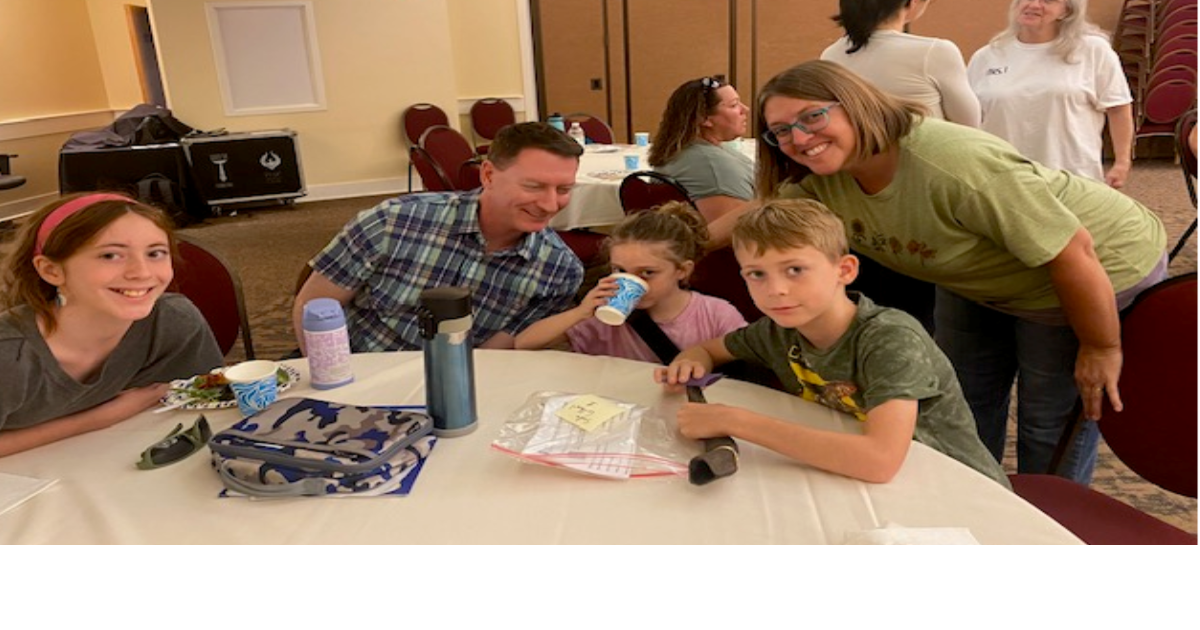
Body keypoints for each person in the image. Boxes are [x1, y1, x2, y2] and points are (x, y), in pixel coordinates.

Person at [741, 60, 1167, 485]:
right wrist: (688, 241)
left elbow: (1074, 253)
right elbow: (757, 217)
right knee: (962, 403)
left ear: (853, 104)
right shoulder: (824, 177)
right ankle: (977, 499)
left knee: (1045, 419)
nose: (798, 137)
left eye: (812, 116)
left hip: (1087, 267)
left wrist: (1100, 347)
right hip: (978, 275)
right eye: (780, 130)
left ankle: (1048, 521)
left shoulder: (949, 162)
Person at [657, 199, 1009, 487]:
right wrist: (693, 359)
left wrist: (735, 421)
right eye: (757, 274)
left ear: (845, 270)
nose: (775, 289)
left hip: (955, 487)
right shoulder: (778, 331)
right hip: (865, 481)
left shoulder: (889, 338)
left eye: (794, 270)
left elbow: (880, 461)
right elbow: (709, 349)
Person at [295, 122, 587, 353]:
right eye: (534, 186)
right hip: (358, 367)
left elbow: (494, 358)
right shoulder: (394, 222)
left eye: (563, 190)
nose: (550, 205)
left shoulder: (558, 271)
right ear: (488, 175)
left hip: (456, 386)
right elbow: (315, 307)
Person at [0, 193, 223, 458]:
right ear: (51, 271)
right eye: (110, 255)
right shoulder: (9, 356)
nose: (141, 272)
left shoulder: (173, 320)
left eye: (155, 253)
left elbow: (209, 403)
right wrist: (97, 418)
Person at [516, 201, 746, 362]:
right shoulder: (602, 316)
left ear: (682, 271)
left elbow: (749, 368)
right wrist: (580, 312)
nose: (632, 281)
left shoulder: (715, 315)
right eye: (620, 270)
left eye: (647, 272)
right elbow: (524, 344)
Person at [968, 0, 1134, 188]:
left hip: (1072, 178)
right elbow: (969, 118)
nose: (1034, 5)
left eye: (1047, 0)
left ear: (1067, 11)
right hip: (1004, 179)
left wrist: (1122, 162)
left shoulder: (1093, 50)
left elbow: (1118, 108)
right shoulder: (987, 56)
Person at [822, 0, 981, 127]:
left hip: (864, 163)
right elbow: (969, 123)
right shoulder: (935, 51)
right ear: (912, 3)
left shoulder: (830, 55)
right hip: (925, 160)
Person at [648, 76, 754, 224]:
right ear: (704, 118)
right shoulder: (713, 166)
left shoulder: (684, 151)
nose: (745, 109)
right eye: (734, 105)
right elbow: (733, 232)